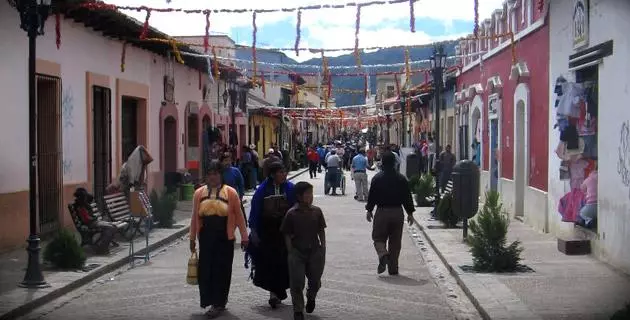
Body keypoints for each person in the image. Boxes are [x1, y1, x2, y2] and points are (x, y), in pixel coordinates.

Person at [189, 160, 248, 318]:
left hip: (225, 237)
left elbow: (239, 216)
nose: (213, 177)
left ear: (221, 175)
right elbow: (195, 217)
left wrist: (244, 237)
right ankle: (211, 300)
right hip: (206, 237)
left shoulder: (231, 193)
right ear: (206, 176)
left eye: (216, 173)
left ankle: (219, 303)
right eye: (210, 174)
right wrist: (192, 238)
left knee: (222, 270)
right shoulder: (199, 193)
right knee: (206, 270)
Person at [247, 162, 296, 308]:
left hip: (284, 233)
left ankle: (279, 291)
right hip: (268, 234)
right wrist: (254, 231)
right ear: (273, 174)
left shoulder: (290, 188)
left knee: (284, 264)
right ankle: (273, 294)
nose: (283, 175)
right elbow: (255, 210)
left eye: (284, 172)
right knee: (270, 264)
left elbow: (296, 208)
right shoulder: (262, 190)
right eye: (280, 172)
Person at [280, 182, 327, 320]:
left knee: (315, 281)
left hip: (314, 252)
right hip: (297, 253)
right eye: (307, 194)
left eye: (311, 194)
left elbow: (321, 230)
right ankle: (298, 310)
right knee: (297, 282)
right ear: (299, 197)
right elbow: (286, 233)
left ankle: (311, 297)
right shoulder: (291, 213)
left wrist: (323, 247)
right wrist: (290, 251)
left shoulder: (317, 211)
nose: (310, 197)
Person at [365, 152, 415, 275]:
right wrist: (410, 213)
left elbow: (372, 196)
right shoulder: (401, 179)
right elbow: (407, 197)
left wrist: (369, 210)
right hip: (398, 212)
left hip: (382, 212)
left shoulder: (377, 178)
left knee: (378, 237)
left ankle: (383, 254)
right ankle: (393, 268)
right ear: (394, 163)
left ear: (382, 162)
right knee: (395, 242)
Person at [71, 188, 117, 254]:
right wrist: (94, 218)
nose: (86, 198)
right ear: (82, 197)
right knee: (110, 228)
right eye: (85, 196)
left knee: (113, 226)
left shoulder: (83, 204)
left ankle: (100, 245)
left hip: (94, 222)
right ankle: (101, 247)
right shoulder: (80, 207)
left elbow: (90, 199)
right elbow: (86, 219)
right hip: (90, 224)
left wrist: (93, 217)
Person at [220, 152, 247, 224]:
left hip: (235, 197)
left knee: (240, 220)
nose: (227, 162)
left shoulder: (235, 171)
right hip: (222, 198)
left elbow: (241, 184)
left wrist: (240, 196)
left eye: (229, 160)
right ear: (221, 162)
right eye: (225, 161)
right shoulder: (219, 172)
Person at [578, 164, 598, 229]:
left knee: (582, 213)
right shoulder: (603, 178)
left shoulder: (588, 179)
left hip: (590, 205)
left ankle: (589, 220)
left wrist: (586, 192)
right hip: (601, 205)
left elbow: (582, 188)